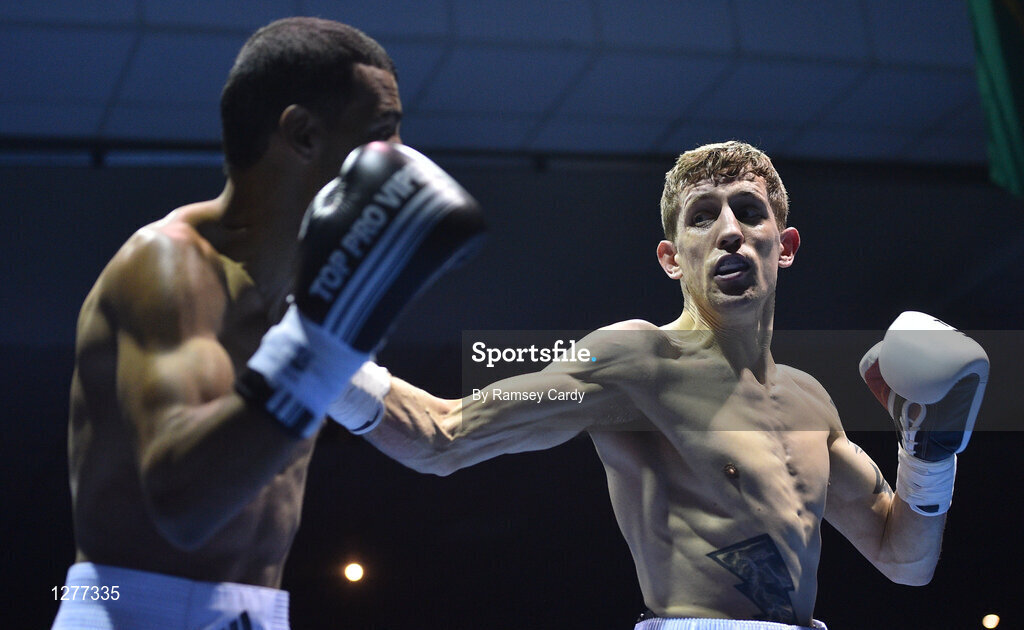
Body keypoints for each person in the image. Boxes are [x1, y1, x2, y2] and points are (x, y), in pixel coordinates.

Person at [333, 141, 989, 630]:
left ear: (783, 245)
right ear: (672, 258)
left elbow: (905, 560)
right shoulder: (634, 362)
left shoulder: (810, 401)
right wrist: (316, 347)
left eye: (748, 212)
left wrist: (927, 455)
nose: (729, 230)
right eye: (703, 215)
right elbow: (442, 435)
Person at [53, 17, 483, 630]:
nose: (398, 160)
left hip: (256, 615)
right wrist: (325, 339)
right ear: (303, 133)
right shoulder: (169, 265)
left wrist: (593, 376)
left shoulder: (303, 305)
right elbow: (184, 508)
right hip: (132, 612)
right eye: (380, 133)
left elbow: (437, 438)